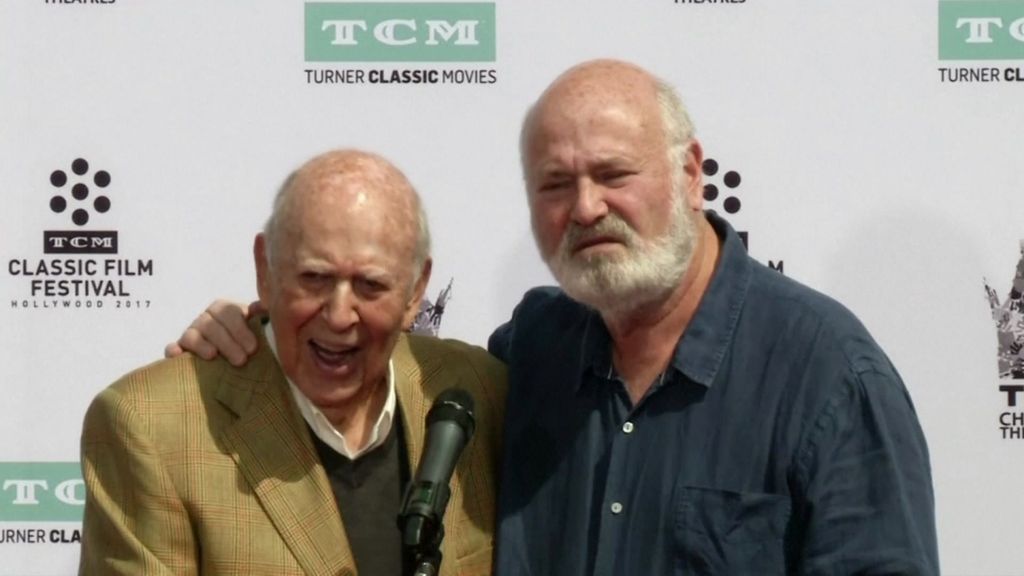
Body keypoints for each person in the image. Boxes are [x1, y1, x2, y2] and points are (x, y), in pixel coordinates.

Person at [168, 60, 940, 574]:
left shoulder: (831, 380)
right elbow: (363, 363)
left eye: (613, 175)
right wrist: (262, 331)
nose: (587, 208)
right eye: (554, 185)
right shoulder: (529, 354)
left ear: (691, 173)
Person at [79, 150, 505, 576]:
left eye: (370, 285)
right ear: (265, 270)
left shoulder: (482, 393)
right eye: (314, 278)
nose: (339, 314)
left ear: (416, 292)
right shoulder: (152, 428)